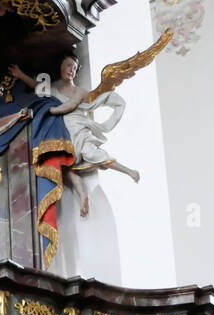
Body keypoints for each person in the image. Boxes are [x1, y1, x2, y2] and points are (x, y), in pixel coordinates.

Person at [9, 57, 139, 218]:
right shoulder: (55, 92)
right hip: (64, 132)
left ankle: (129, 171)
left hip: (78, 128)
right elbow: (38, 87)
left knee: (91, 153)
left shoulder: (79, 91)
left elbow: (70, 106)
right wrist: (20, 75)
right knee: (65, 169)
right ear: (61, 68)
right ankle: (83, 196)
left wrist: (51, 111)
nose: (71, 69)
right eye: (68, 65)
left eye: (75, 68)